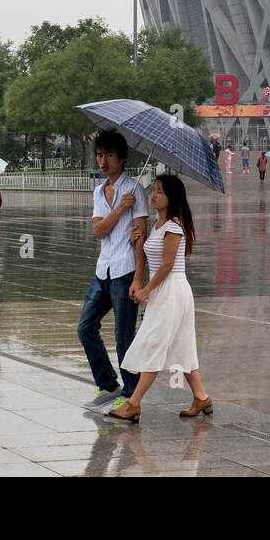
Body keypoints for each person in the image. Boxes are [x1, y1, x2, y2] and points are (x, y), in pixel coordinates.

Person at [110, 174, 211, 422]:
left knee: (154, 343)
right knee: (182, 345)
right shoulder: (157, 226)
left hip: (172, 291)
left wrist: (146, 290)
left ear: (171, 198)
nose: (153, 195)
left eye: (159, 192)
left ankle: (133, 403)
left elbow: (167, 265)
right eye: (153, 190)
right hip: (163, 291)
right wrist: (137, 243)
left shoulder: (174, 227)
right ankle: (201, 397)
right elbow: (152, 261)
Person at [79, 130, 150, 415]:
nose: (103, 160)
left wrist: (138, 279)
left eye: (109, 155)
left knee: (124, 337)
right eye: (99, 155)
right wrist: (120, 208)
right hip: (103, 270)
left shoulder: (137, 191)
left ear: (122, 158)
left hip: (125, 271)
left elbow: (140, 236)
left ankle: (131, 396)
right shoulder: (100, 192)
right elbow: (98, 231)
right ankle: (108, 385)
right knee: (85, 327)